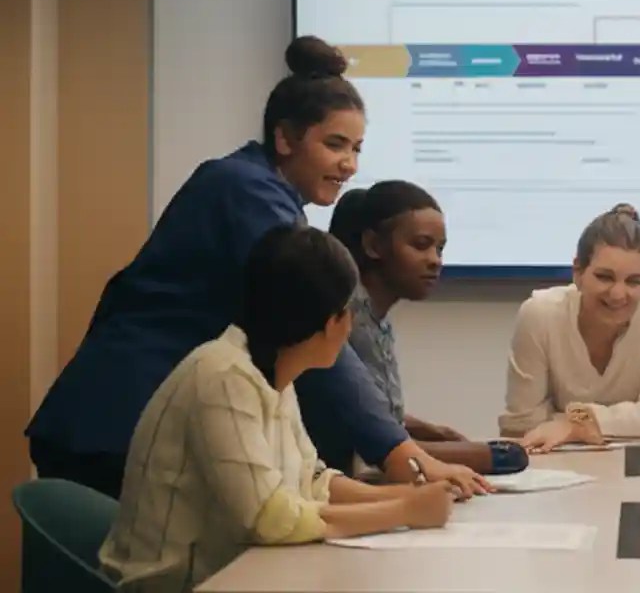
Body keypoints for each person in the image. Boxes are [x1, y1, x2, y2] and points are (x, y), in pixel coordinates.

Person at [26, 35, 486, 498]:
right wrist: (402, 455)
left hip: (136, 422)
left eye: (356, 149)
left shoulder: (263, 193)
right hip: (116, 424)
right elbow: (315, 329)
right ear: (284, 138)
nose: (349, 165)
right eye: (335, 145)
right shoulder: (246, 191)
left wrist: (403, 452)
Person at [100, 225, 455, 593]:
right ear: (330, 321)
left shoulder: (272, 371)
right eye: (348, 312)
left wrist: (410, 497)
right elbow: (269, 517)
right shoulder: (223, 375)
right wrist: (403, 512)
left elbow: (312, 481)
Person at [326, 181, 527, 475]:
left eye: (440, 249)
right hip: (341, 480)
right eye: (421, 245)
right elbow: (373, 447)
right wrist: (489, 456)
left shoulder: (377, 317)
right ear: (373, 246)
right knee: (509, 457)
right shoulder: (347, 318)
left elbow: (373, 414)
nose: (435, 261)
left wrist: (429, 430)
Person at [499, 204, 640, 452]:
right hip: (559, 462)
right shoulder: (540, 313)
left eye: (633, 281)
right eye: (605, 277)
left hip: (636, 462)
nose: (618, 294)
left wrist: (573, 425)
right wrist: (620, 422)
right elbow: (522, 426)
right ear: (578, 272)